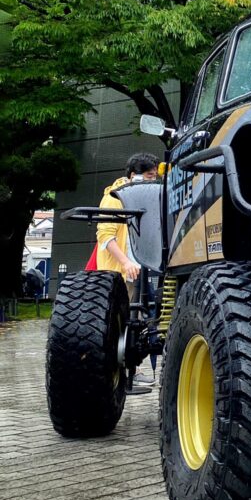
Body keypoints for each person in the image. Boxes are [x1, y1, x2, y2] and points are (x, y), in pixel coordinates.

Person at [96, 153, 159, 391]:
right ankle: (121, 373)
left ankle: (135, 370)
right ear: (135, 175)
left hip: (137, 270)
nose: (153, 180)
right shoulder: (114, 198)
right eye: (150, 176)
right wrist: (124, 263)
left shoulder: (141, 197)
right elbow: (105, 235)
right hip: (119, 272)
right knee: (118, 324)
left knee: (138, 320)